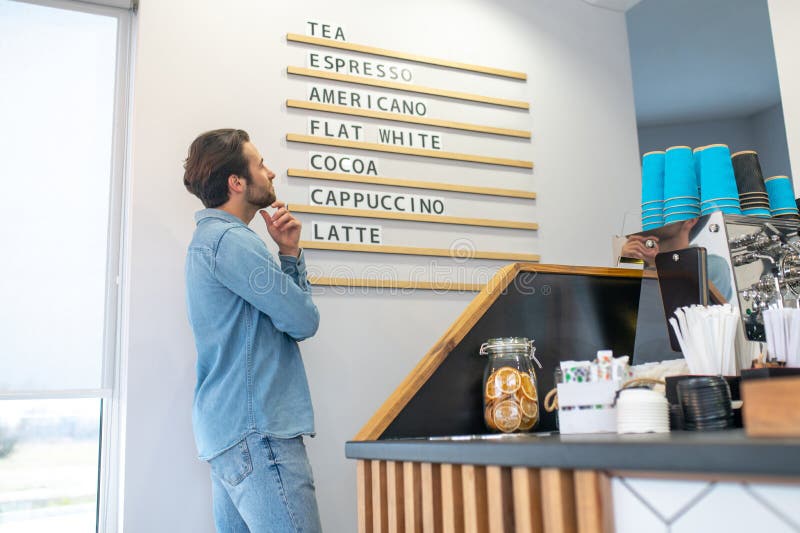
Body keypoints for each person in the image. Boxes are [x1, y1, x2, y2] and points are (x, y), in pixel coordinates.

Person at [183, 128, 322, 532]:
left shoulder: (206, 242)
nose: (271, 172)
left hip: (229, 435)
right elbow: (304, 320)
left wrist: (288, 252)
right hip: (258, 434)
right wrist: (291, 256)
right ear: (237, 182)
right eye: (260, 164)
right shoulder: (231, 241)